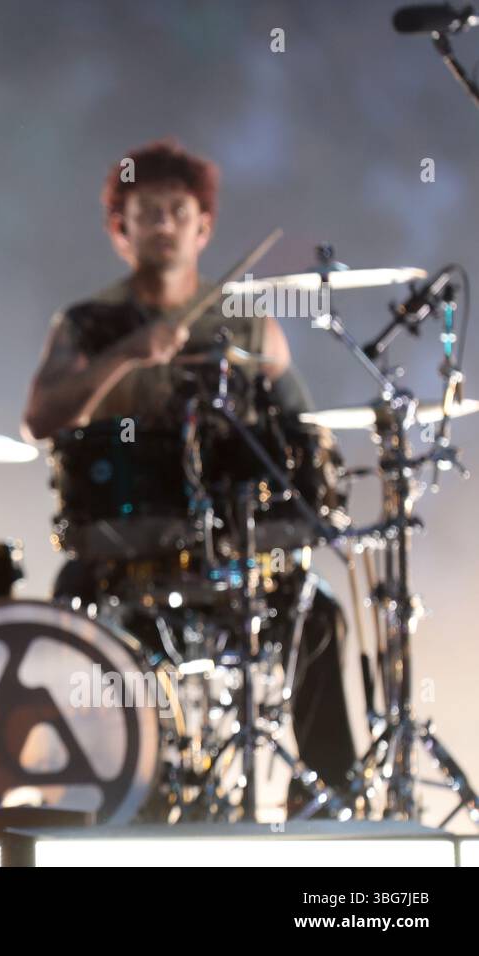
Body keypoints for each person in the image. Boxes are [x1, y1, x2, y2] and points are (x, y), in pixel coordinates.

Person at [21, 138, 357, 813]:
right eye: (148, 213)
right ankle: (84, 792)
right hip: (125, 555)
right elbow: (39, 421)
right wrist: (124, 355)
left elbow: (300, 432)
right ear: (122, 230)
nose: (165, 224)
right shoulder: (89, 323)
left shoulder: (247, 323)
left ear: (204, 226)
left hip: (233, 551)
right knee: (68, 600)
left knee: (317, 612)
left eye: (179, 211)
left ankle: (324, 799)